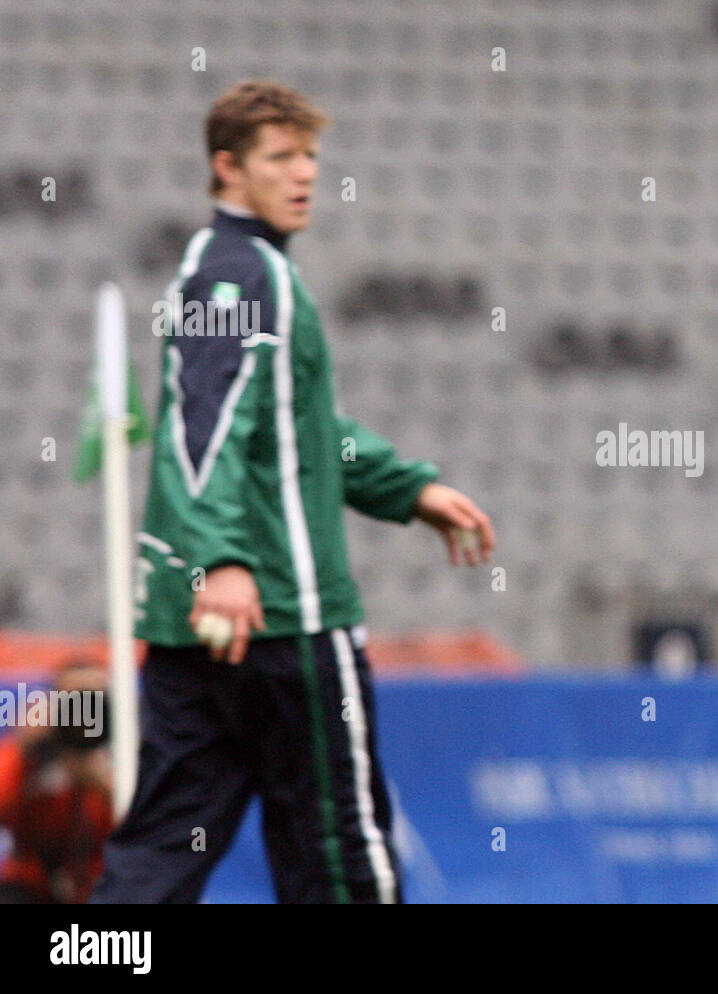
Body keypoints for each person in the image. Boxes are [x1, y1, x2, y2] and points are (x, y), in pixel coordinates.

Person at [91, 80, 495, 904]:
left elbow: (301, 431)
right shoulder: (248, 276)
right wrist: (226, 560)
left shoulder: (221, 269)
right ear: (227, 169)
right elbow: (203, 431)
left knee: (160, 849)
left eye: (310, 155)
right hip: (283, 617)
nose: (304, 173)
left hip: (197, 627)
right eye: (281, 157)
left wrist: (407, 488)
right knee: (338, 849)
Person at [0, 661, 113, 904]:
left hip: (103, 881)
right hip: (32, 883)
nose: (83, 712)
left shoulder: (127, 749)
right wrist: (22, 749)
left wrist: (102, 783)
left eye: (93, 699)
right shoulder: (31, 755)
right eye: (73, 701)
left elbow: (144, 827)